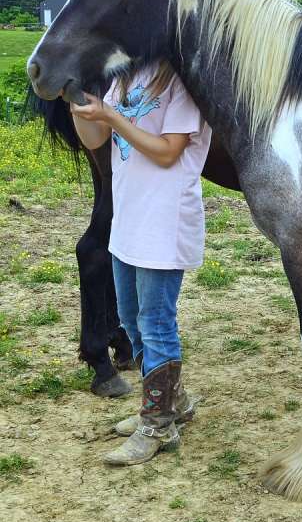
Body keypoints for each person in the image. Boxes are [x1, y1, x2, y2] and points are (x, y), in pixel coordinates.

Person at [70, 60, 211, 465]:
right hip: (130, 219)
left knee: (156, 323)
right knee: (131, 323)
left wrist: (112, 115)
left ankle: (157, 425)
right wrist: (77, 104)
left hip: (165, 221)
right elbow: (97, 139)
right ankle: (174, 402)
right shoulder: (124, 78)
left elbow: (168, 152)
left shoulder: (181, 84)